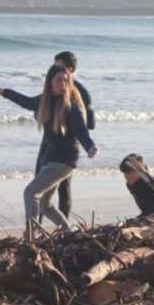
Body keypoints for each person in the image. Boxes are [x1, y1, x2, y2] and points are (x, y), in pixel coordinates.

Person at [0, 64, 98, 230]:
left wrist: (90, 146)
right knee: (45, 204)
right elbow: (25, 101)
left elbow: (80, 130)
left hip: (64, 160)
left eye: (65, 80)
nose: (62, 84)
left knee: (30, 193)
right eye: (58, 80)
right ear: (50, 82)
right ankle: (68, 232)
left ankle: (31, 237)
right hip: (51, 159)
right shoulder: (44, 101)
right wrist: (5, 92)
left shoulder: (71, 105)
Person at [51, 51, 95, 218]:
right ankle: (36, 226)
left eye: (58, 66)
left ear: (69, 69)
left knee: (63, 187)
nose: (54, 69)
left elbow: (90, 124)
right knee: (38, 186)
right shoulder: (53, 85)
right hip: (50, 143)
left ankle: (64, 227)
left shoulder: (80, 91)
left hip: (68, 146)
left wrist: (86, 143)